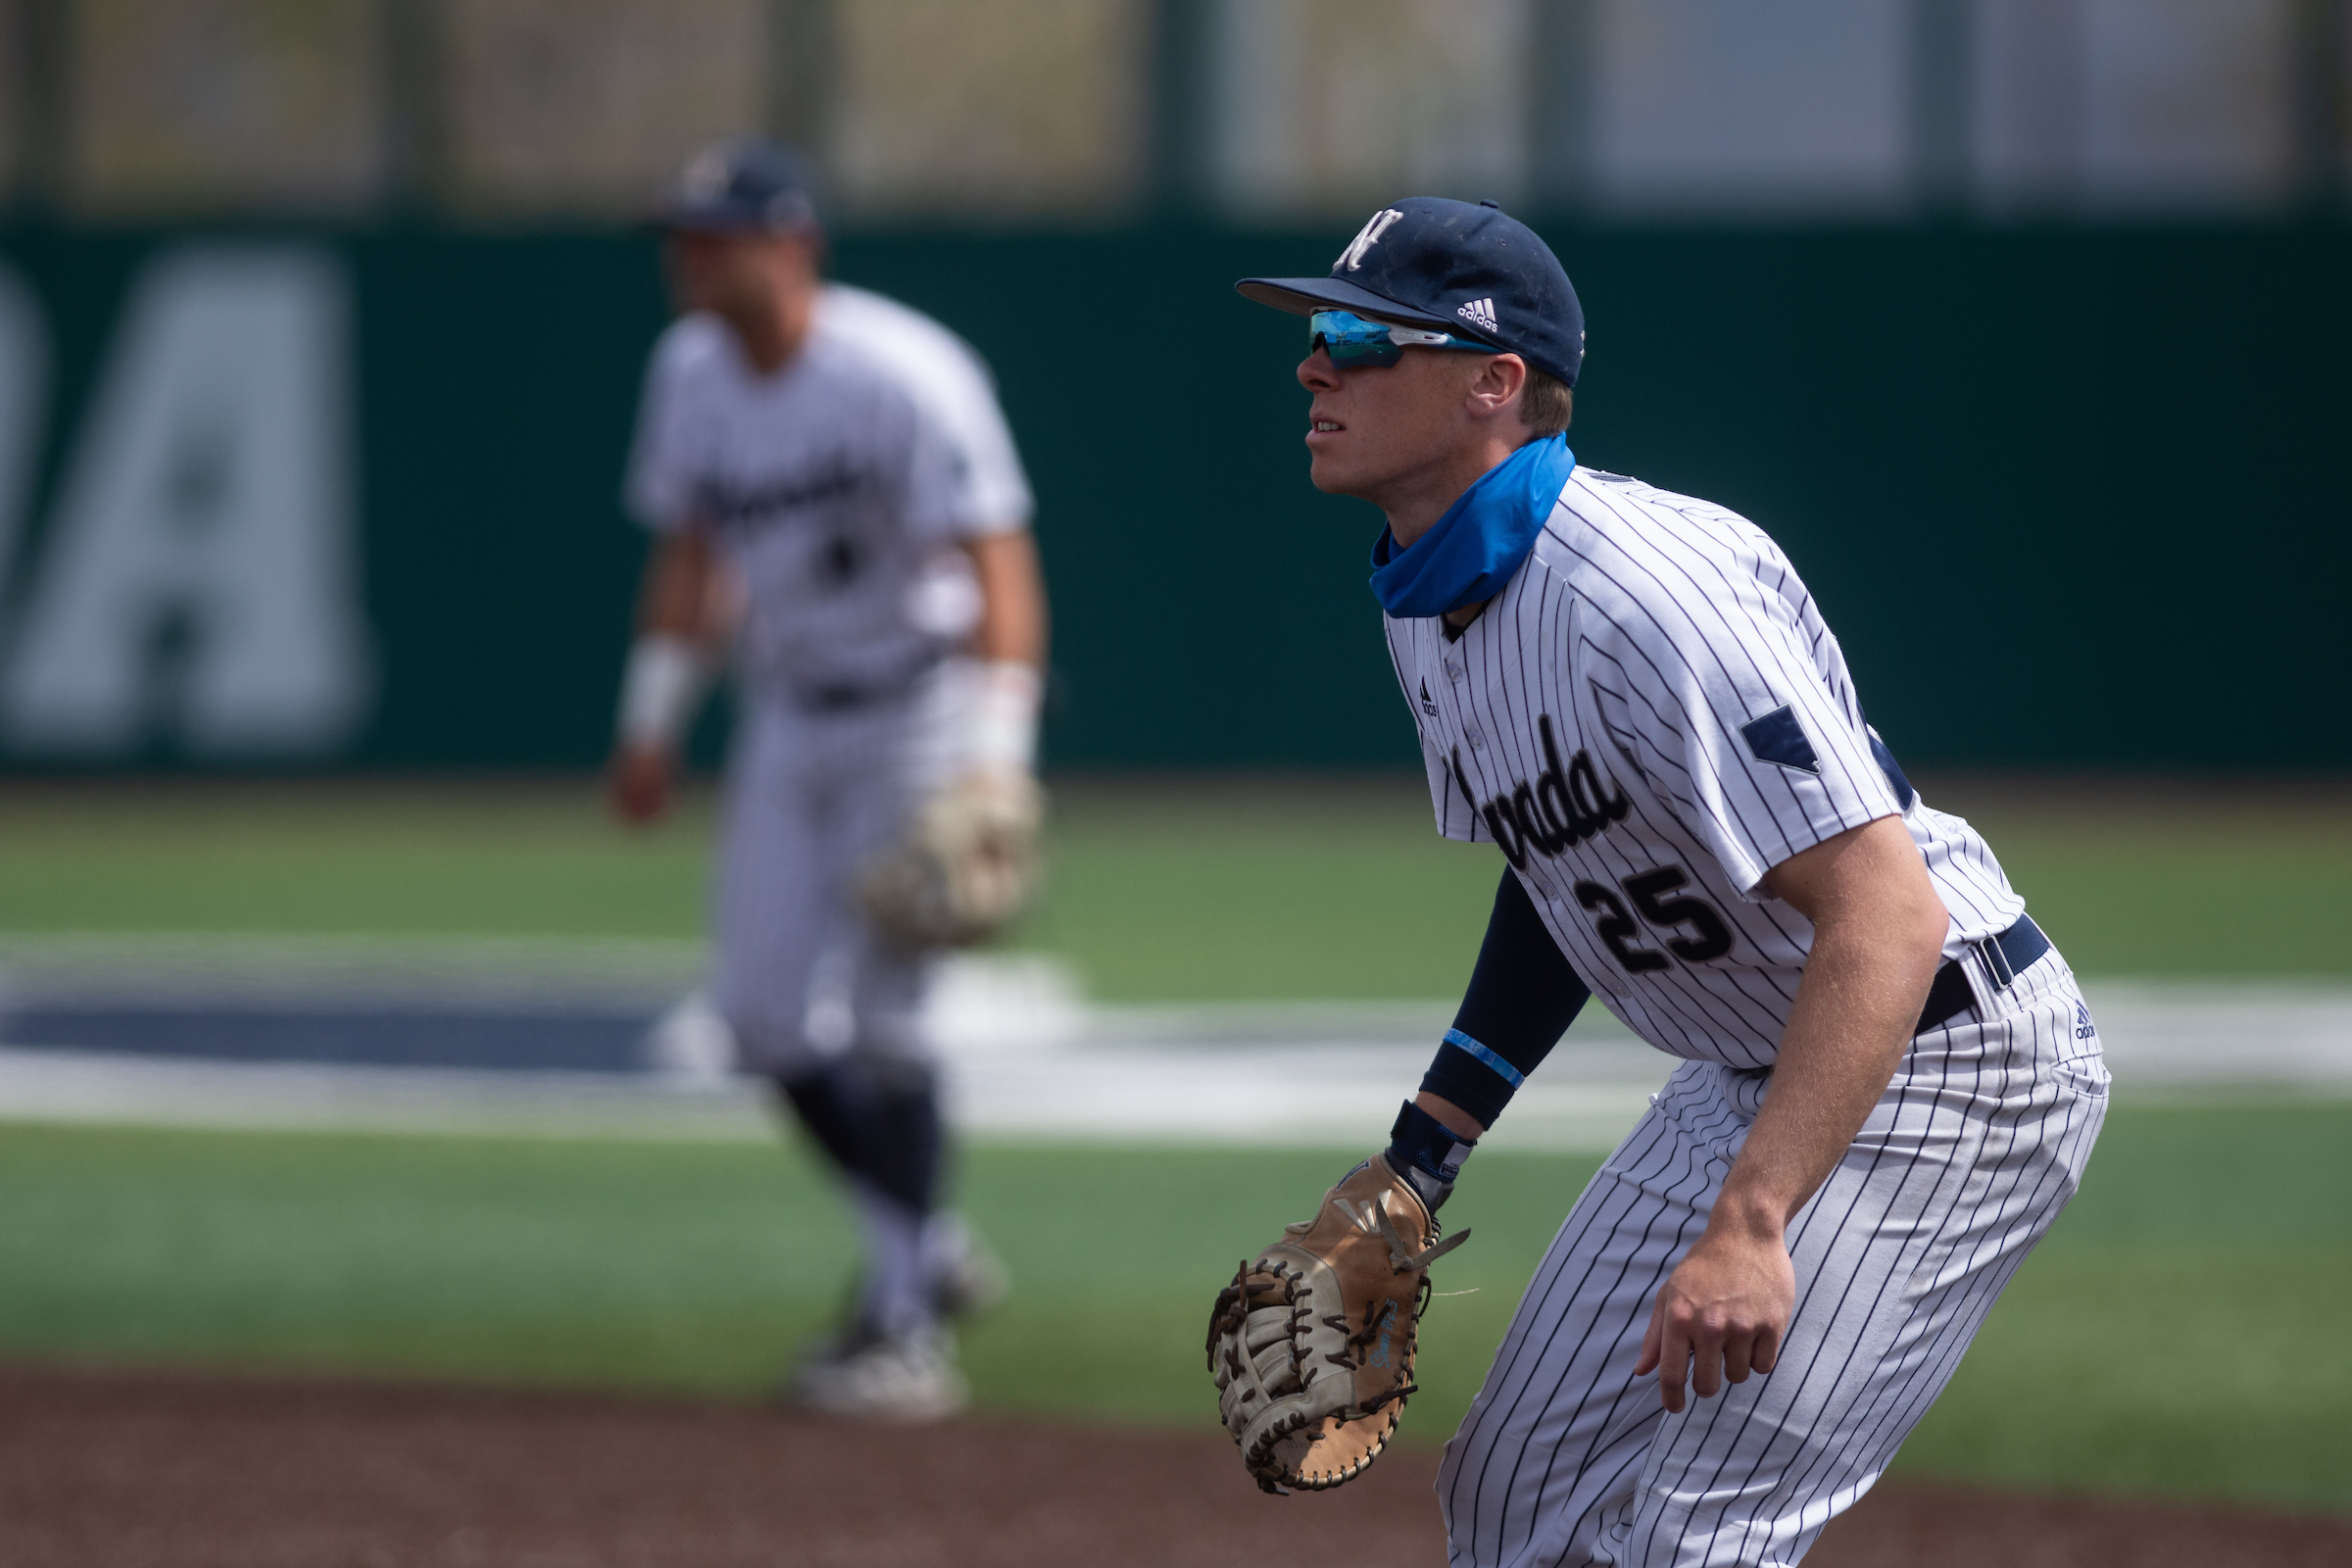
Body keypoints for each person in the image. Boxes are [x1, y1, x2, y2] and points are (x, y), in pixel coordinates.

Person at [1233, 199, 2107, 1563]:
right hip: (1749, 1069)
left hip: (1945, 1065)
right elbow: (1566, 878)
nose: (1313, 365)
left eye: (1357, 336)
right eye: (1315, 335)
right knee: (1511, 1500)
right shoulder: (1431, 599)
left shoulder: (1645, 593)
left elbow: (1888, 912)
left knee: (1695, 1538)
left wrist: (1755, 1222)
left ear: (1493, 383)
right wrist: (1423, 1159)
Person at [610, 139, 1049, 1420]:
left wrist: (995, 766)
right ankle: (921, 1238)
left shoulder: (901, 372)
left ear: (790, 241)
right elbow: (693, 554)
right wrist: (649, 723)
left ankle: (905, 1323)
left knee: (888, 1022)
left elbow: (1000, 566)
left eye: (713, 233)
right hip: (788, 712)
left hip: (922, 704)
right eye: (679, 233)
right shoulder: (689, 373)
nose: (687, 256)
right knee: (755, 1019)